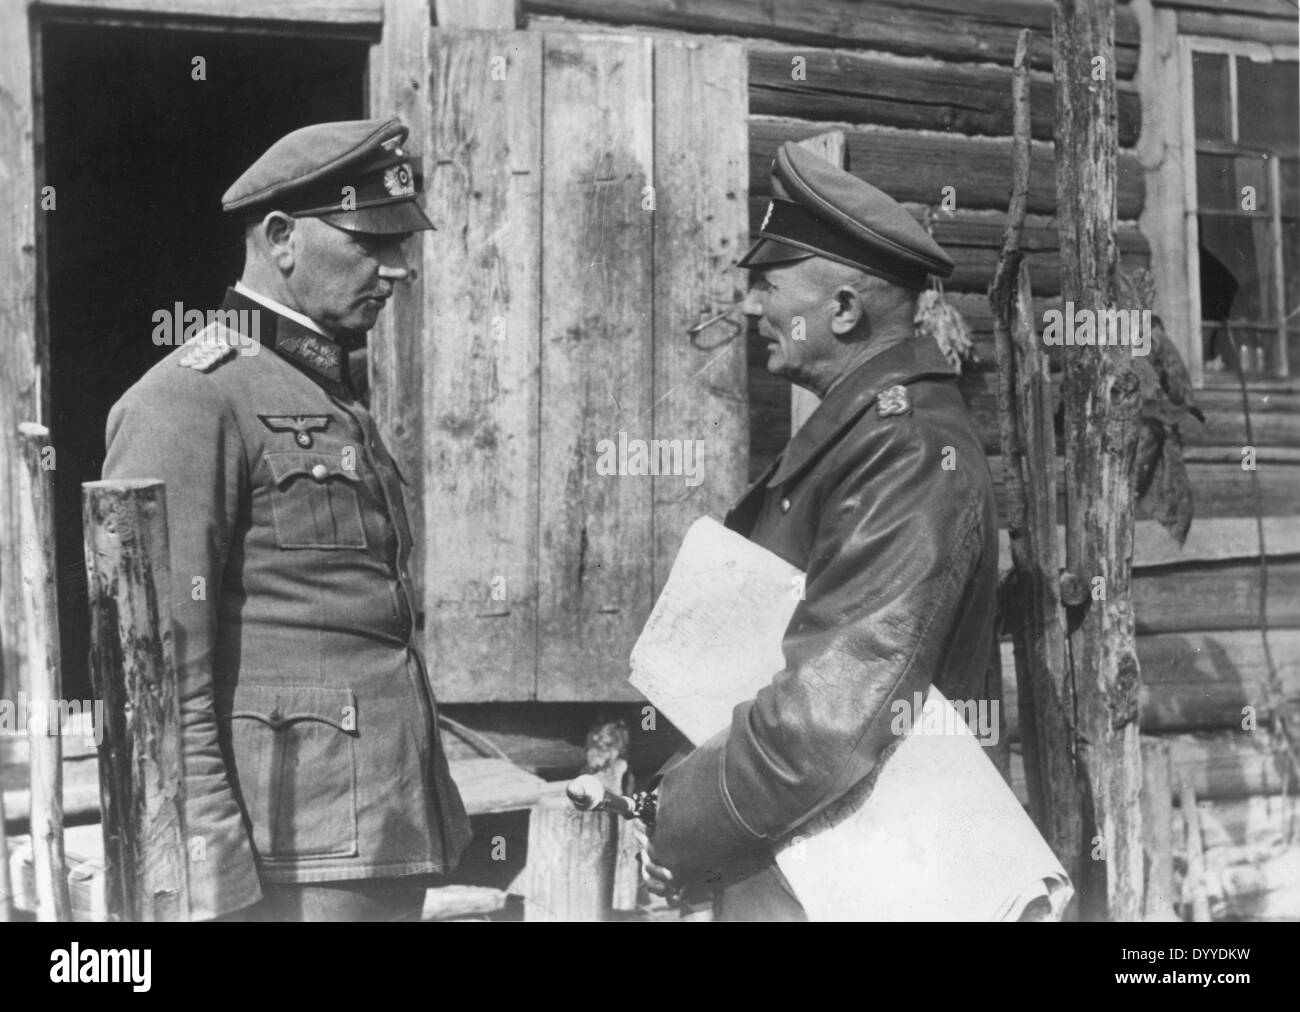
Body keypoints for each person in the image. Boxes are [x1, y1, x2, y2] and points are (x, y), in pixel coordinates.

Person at [102, 118, 471, 921]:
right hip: (289, 843)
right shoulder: (190, 398)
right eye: (372, 242)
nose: (398, 269)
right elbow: (161, 661)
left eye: (403, 243)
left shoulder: (324, 392)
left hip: (376, 819)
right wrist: (210, 864)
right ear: (280, 238)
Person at [639, 142, 1000, 921]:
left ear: (842, 308)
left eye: (767, 286)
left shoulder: (905, 452)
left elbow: (827, 718)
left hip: (860, 877)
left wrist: (680, 821)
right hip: (800, 864)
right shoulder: (862, 433)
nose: (748, 308)